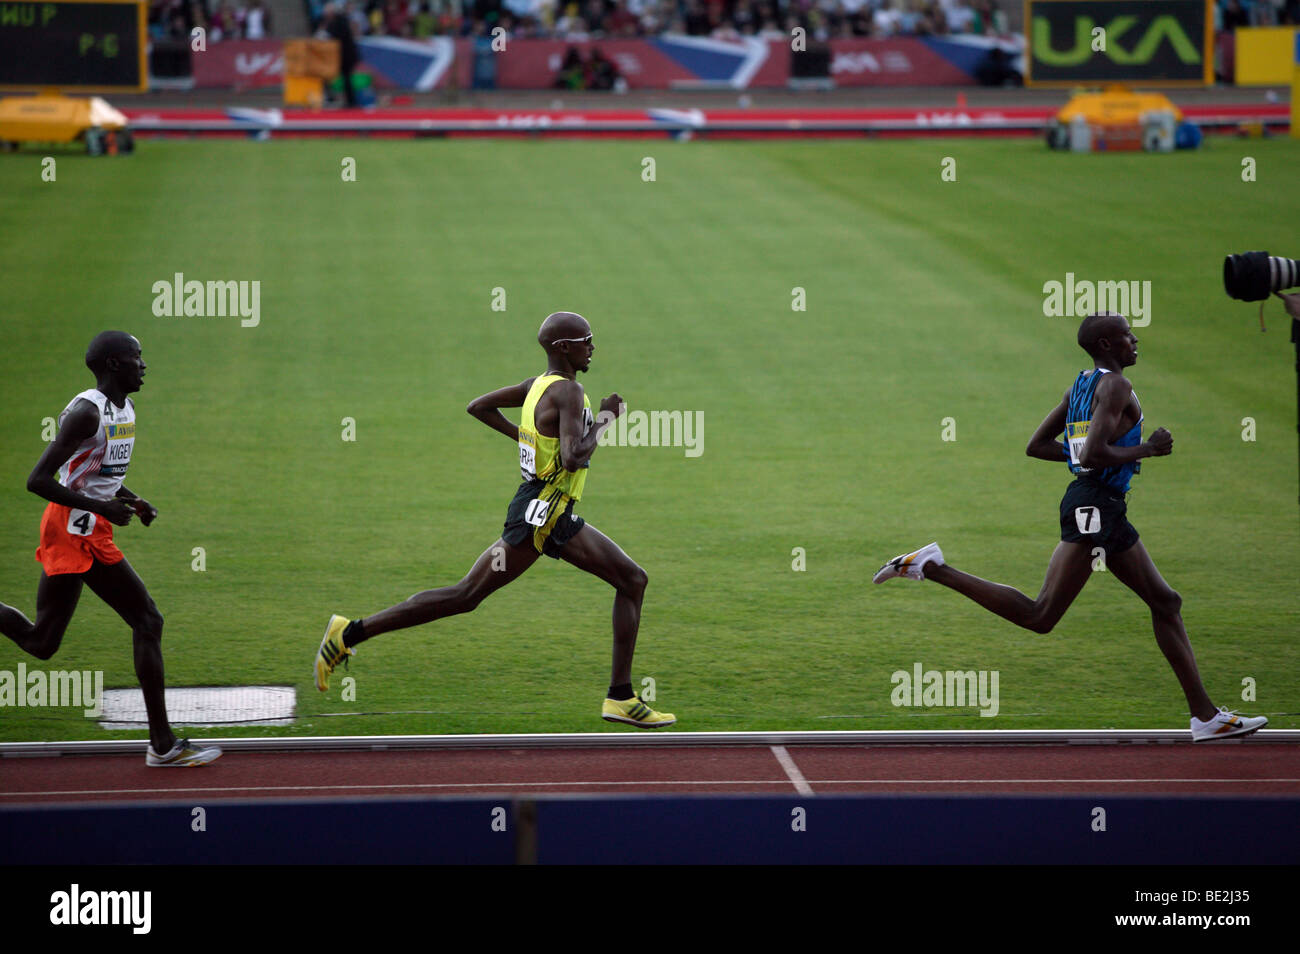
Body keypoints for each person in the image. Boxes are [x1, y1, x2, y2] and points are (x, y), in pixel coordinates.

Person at [874, 313, 1268, 742]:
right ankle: (931, 568)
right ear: (1105, 344)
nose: (1135, 340)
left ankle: (1205, 716)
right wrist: (1148, 449)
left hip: (1094, 504)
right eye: (1126, 336)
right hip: (1095, 508)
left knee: (1163, 602)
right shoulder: (1116, 386)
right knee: (1043, 614)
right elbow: (1096, 452)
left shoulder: (1080, 384)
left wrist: (1085, 459)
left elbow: (1038, 446)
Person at [314, 312, 675, 728]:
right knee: (624, 581)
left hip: (540, 507)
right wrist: (609, 416)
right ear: (563, 348)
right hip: (545, 512)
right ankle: (620, 697)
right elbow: (576, 456)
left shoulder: (534, 387)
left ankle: (348, 633)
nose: (593, 346)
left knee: (471, 595)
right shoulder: (570, 392)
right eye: (586, 340)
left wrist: (531, 442)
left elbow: (478, 407)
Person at [0, 332, 221, 766]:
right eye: (137, 358)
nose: (144, 365)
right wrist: (99, 506)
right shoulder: (86, 412)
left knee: (43, 643)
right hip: (69, 530)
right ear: (115, 364)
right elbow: (39, 480)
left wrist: (132, 500)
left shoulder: (126, 408)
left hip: (93, 528)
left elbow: (99, 472)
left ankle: (161, 743)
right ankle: (161, 744)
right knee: (147, 618)